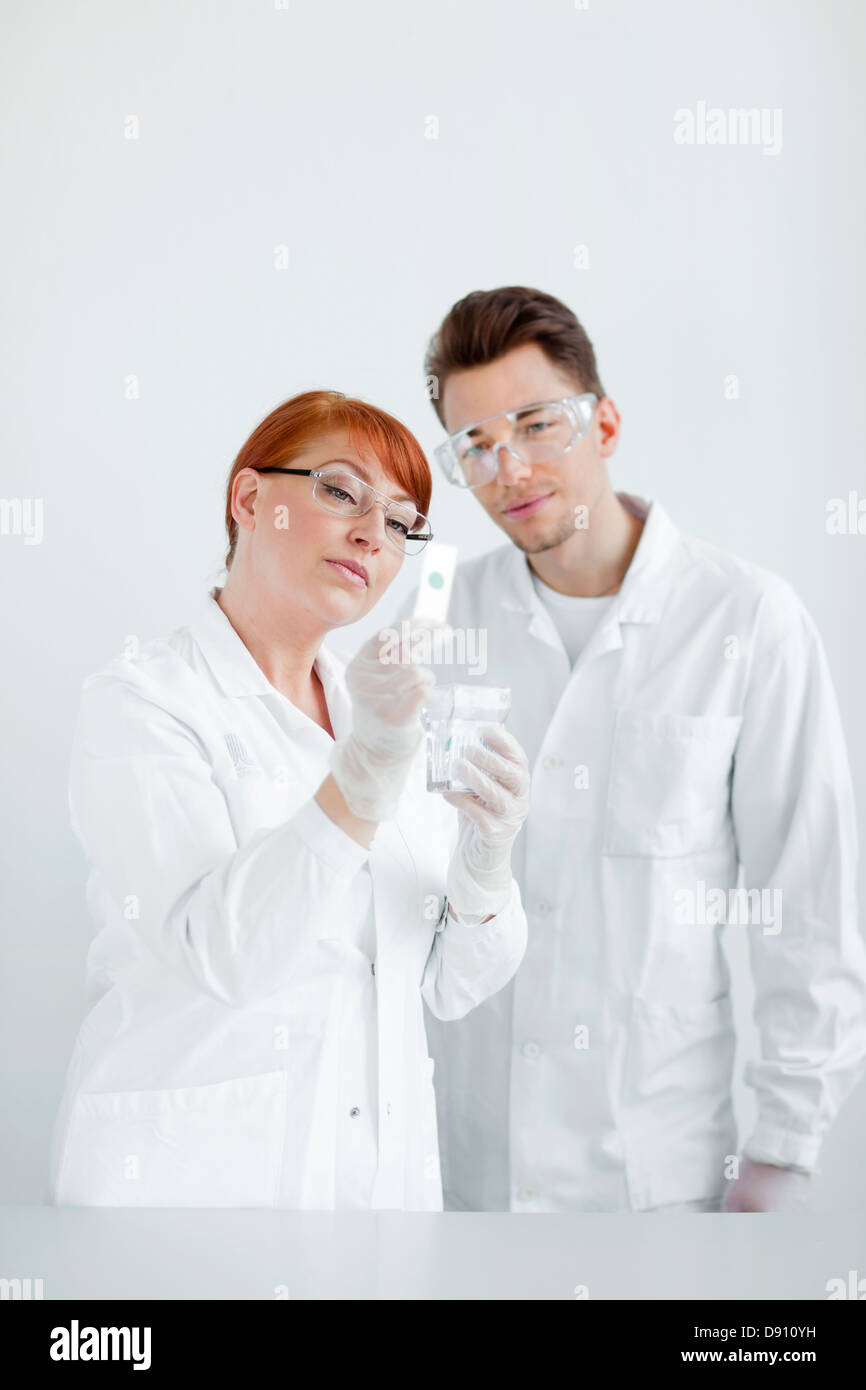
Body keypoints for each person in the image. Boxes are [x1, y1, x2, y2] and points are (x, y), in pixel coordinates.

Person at [393, 286, 866, 1213]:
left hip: (660, 1174)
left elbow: (806, 907)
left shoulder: (747, 619)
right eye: (475, 447)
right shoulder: (438, 612)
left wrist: (785, 1150)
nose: (511, 466)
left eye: (537, 424)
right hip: (461, 1174)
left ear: (604, 422)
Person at [49, 389, 530, 1210]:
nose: (372, 535)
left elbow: (451, 988)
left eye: (401, 523)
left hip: (379, 1193)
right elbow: (223, 949)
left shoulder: (377, 711)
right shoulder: (141, 702)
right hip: (188, 1191)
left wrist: (484, 866)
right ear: (248, 499)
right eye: (341, 491)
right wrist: (362, 778)